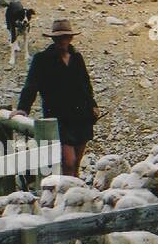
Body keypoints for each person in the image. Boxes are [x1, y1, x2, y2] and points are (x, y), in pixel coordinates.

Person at [12, 19, 99, 178]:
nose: (62, 40)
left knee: (76, 164)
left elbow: (86, 84)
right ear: (52, 39)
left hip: (82, 116)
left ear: (70, 38)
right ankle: (67, 195)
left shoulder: (77, 57)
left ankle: (75, 195)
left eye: (65, 37)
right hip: (58, 117)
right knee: (68, 161)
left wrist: (93, 105)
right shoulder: (41, 59)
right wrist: (23, 108)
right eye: (58, 37)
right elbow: (31, 85)